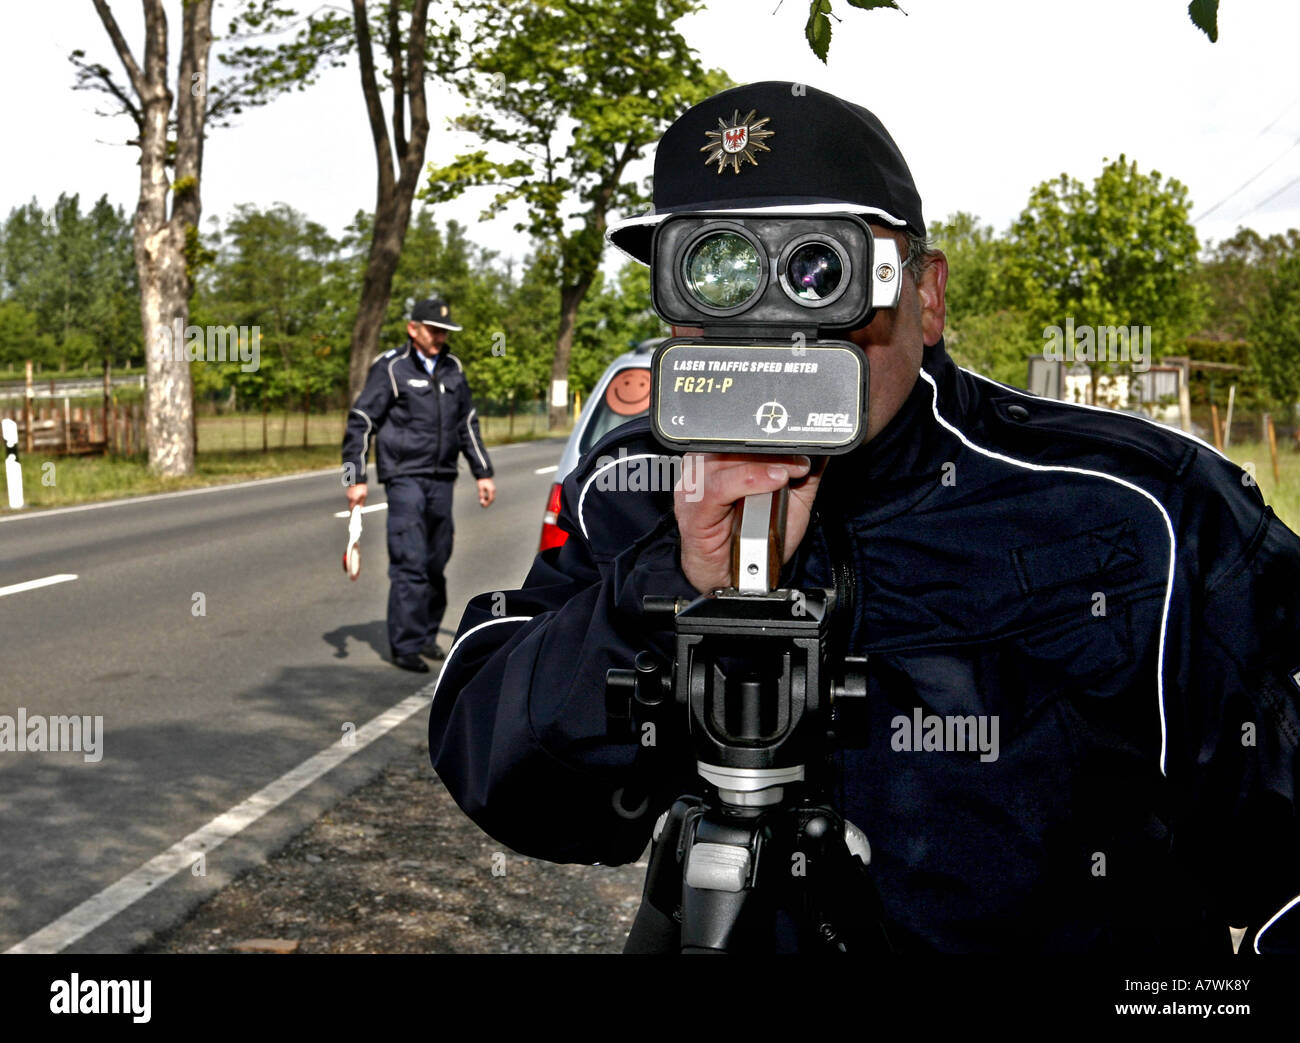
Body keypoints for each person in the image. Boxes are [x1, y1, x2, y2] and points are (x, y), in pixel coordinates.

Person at [426, 82, 1300, 953]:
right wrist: (664, 589)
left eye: (818, 272)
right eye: (719, 272)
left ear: (926, 297)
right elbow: (507, 776)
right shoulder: (640, 488)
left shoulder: (1144, 506)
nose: (773, 329)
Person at [342, 297, 496, 674]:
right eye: (434, 330)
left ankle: (426, 633)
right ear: (413, 329)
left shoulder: (452, 368)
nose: (440, 337)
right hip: (404, 477)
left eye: (445, 331)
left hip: (443, 477)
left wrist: (483, 472)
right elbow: (361, 420)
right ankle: (405, 644)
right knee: (410, 559)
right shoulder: (391, 368)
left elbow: (467, 424)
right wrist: (355, 477)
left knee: (435, 560)